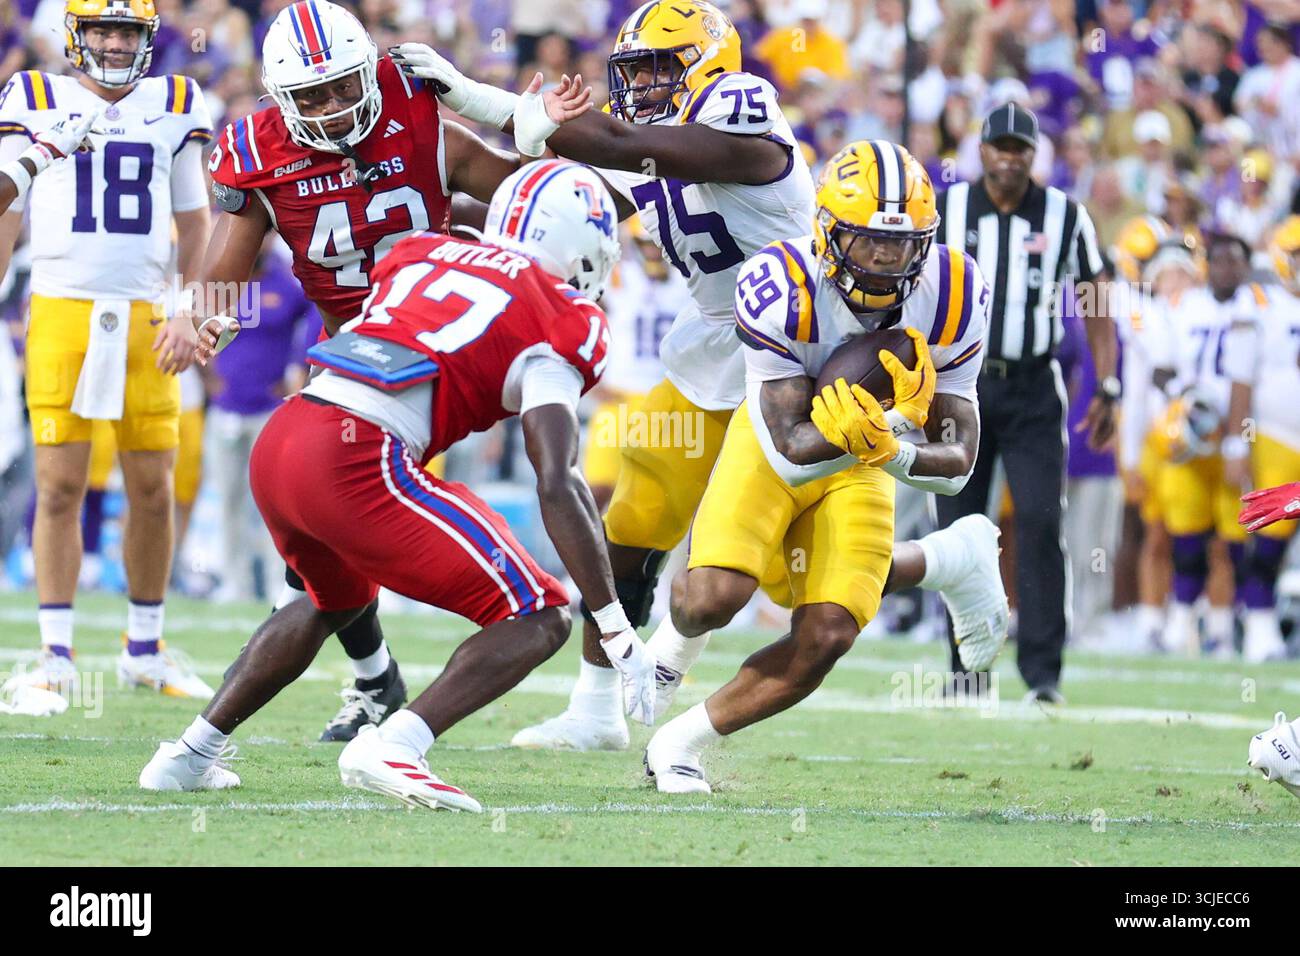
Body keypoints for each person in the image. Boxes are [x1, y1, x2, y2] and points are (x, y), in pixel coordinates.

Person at [414, 0, 1007, 750]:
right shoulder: (654, 147)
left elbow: (617, 139)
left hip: (806, 357)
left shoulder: (739, 114)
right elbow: (544, 194)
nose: (646, 84)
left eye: (663, 66)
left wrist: (471, 93)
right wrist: (433, 203)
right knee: (628, 527)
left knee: (783, 579)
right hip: (713, 357)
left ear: (711, 68)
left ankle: (945, 559)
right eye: (637, 71)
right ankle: (598, 709)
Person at [139, 161, 651, 812]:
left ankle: (190, 755)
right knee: (540, 615)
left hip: (286, 434)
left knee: (333, 600)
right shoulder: (562, 315)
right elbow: (557, 478)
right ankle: (397, 744)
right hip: (356, 458)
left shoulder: (423, 253)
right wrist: (611, 621)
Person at [188, 0, 584, 741]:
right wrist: (202, 315)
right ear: (281, 100)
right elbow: (219, 276)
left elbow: (539, 200)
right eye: (312, 96)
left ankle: (372, 688)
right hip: (354, 370)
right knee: (324, 552)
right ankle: (378, 687)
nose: (333, 109)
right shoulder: (257, 150)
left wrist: (513, 114)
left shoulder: (418, 109)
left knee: (328, 557)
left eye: (344, 87)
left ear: (370, 71)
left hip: (441, 364)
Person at [639, 142, 1005, 793]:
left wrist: (891, 446)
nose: (889, 260)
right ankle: (672, 650)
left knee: (828, 631)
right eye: (869, 242)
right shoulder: (779, 283)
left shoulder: (952, 290)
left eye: (903, 244)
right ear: (828, 232)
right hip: (779, 443)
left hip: (863, 462)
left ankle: (679, 744)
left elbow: (958, 461)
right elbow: (786, 445)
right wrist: (873, 428)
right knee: (711, 599)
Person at [0, 0, 213, 698]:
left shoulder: (177, 98)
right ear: (76, 34)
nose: (116, 44)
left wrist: (198, 310)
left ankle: (143, 648)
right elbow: (6, 208)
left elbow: (196, 219)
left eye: (128, 31)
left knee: (153, 488)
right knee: (59, 484)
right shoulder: (33, 94)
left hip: (150, 314)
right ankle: (55, 655)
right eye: (103, 30)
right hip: (62, 307)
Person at [935, 103, 1117, 702]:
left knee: (1041, 523)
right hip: (962, 384)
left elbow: (1095, 299)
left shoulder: (1065, 214)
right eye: (1000, 147)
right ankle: (965, 669)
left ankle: (1043, 675)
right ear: (982, 151)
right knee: (958, 528)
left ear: (1034, 156)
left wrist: (1108, 383)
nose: (1009, 159)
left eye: (1021, 149)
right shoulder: (948, 208)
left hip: (1036, 386)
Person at [1150, 231, 1278, 661]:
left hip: (1239, 441)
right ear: (1208, 264)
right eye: (1219, 260)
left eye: (1235, 261)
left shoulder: (1263, 308)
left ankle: (1222, 629)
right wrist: (1185, 399)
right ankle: (1179, 625)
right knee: (1186, 538)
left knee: (1234, 539)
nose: (1227, 268)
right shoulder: (1184, 308)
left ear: (1247, 265)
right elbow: (1160, 369)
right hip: (1190, 441)